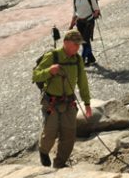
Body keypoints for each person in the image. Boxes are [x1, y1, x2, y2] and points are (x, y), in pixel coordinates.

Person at [32, 29, 92, 169]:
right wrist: (49, 71)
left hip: (69, 103)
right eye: (75, 44)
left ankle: (59, 163)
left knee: (69, 135)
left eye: (79, 45)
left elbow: (82, 82)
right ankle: (43, 151)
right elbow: (35, 76)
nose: (78, 48)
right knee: (50, 132)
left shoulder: (77, 59)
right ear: (65, 43)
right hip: (51, 102)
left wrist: (87, 103)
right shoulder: (52, 56)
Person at [70, 0, 100, 66]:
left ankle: (82, 61)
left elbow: (96, 9)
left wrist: (92, 18)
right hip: (79, 22)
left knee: (85, 40)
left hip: (88, 21)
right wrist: (71, 25)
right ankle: (91, 58)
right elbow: (75, 12)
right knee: (83, 41)